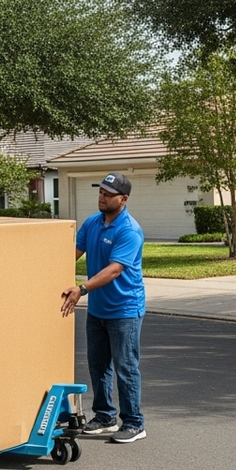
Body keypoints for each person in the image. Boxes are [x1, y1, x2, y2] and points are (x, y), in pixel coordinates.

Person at [60, 172, 146, 443]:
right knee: (98, 366)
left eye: (108, 194)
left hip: (125, 309)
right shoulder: (92, 223)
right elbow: (70, 255)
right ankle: (105, 416)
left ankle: (134, 423)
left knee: (125, 368)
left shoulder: (129, 230)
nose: (102, 197)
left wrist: (82, 289)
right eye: (100, 192)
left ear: (124, 199)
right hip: (98, 309)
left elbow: (114, 270)